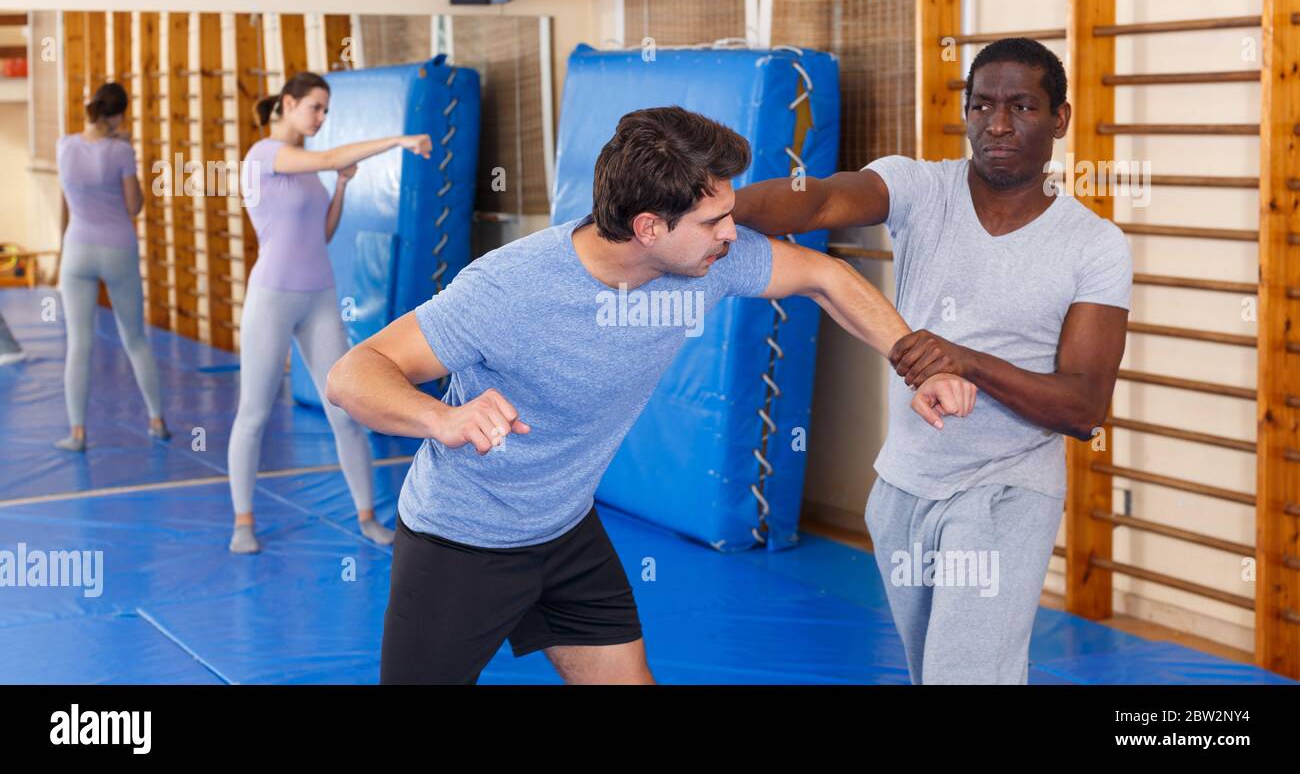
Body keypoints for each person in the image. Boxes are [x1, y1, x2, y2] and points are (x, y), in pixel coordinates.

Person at [325, 106, 977, 684]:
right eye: (715, 219)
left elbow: (825, 277)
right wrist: (440, 417)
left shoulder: (710, 262)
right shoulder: (511, 289)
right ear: (647, 228)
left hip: (563, 527)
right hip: (463, 539)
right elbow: (353, 373)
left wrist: (917, 362)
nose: (733, 230)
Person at [733, 37, 1133, 684]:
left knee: (964, 677)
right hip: (903, 485)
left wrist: (967, 361)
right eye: (982, 106)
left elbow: (1083, 408)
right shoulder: (921, 186)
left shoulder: (1094, 245)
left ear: (1058, 118)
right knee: (934, 672)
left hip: (1006, 490)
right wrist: (714, 211)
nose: (997, 124)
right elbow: (822, 200)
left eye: (1022, 107)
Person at [227, 71, 431, 554]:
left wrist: (339, 188)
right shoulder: (265, 156)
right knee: (253, 413)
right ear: (289, 103)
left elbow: (321, 234)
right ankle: (242, 520)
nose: (321, 117)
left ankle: (366, 516)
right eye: (316, 107)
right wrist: (398, 139)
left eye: (326, 111)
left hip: (319, 295)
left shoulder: (309, 171)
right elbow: (326, 156)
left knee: (345, 409)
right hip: (272, 297)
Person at [54, 82, 168, 452]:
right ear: (118, 115)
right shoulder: (121, 151)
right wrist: (127, 149)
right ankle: (156, 419)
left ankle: (77, 433)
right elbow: (134, 206)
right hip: (117, 248)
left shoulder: (64, 146)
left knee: (79, 344)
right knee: (134, 338)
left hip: (77, 250)